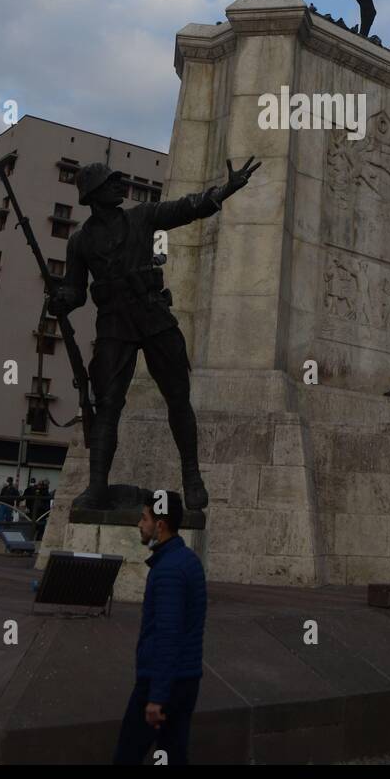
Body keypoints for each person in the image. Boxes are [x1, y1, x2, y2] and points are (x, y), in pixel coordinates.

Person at [49, 157, 259, 512]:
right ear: (95, 194)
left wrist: (224, 191)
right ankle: (96, 487)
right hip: (114, 324)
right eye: (112, 181)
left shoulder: (141, 217)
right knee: (107, 406)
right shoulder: (80, 242)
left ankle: (192, 477)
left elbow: (185, 209)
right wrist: (61, 299)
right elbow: (76, 292)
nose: (120, 184)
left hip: (153, 315)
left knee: (177, 397)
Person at [113, 491, 206, 766]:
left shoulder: (168, 570)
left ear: (160, 525)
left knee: (127, 756)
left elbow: (168, 635)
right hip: (187, 678)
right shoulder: (189, 560)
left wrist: (156, 697)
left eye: (144, 518)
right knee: (174, 755)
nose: (140, 524)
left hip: (161, 682)